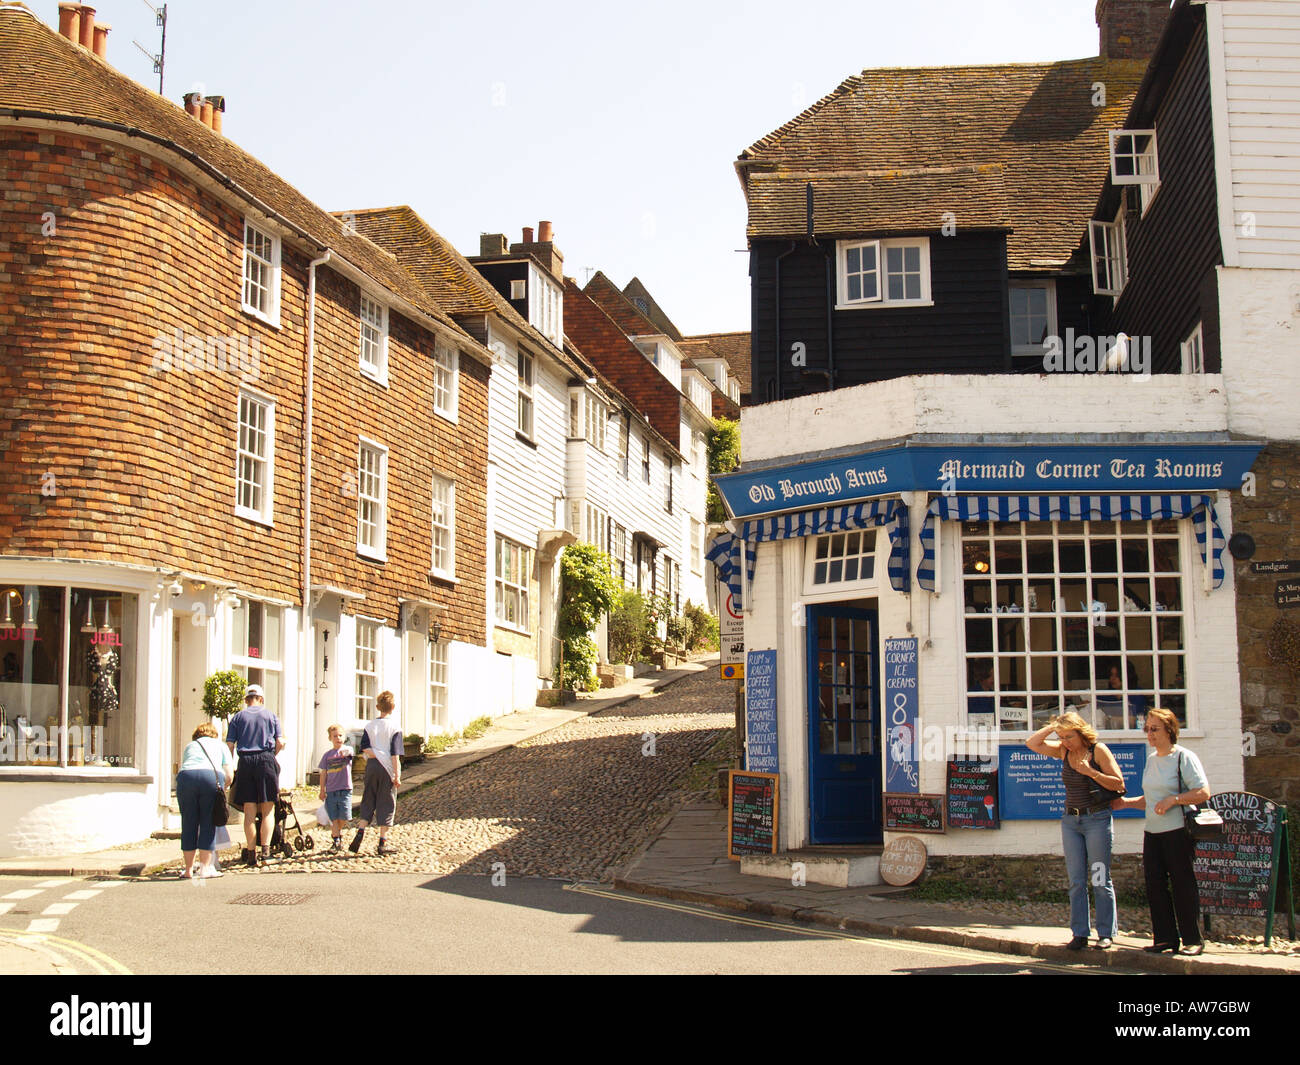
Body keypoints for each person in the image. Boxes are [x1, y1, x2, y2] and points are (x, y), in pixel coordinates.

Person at [1112, 707, 1210, 956]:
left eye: (1154, 729)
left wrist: (1174, 800)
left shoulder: (1183, 758)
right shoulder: (1151, 759)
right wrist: (1126, 803)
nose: (1149, 734)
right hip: (1152, 832)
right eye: (1147, 729)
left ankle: (1192, 940)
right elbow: (1151, 798)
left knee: (1182, 883)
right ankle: (1165, 938)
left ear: (1170, 730)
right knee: (1155, 884)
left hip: (1177, 830)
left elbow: (1202, 792)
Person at [1026, 711, 1127, 951]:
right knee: (1076, 880)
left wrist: (1090, 772)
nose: (1065, 742)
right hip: (1071, 821)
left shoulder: (1098, 751)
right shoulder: (1064, 751)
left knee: (1100, 878)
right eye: (1062, 737)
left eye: (1069, 736)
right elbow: (1032, 743)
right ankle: (1080, 932)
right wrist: (1054, 726)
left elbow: (1119, 784)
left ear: (1081, 733)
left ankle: (1105, 933)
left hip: (1097, 819)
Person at [226, 683, 285, 867]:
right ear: (261, 699)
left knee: (249, 811)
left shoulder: (237, 717)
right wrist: (271, 756)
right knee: (268, 809)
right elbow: (281, 742)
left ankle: (251, 854)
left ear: (246, 700)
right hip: (265, 760)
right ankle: (266, 852)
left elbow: (229, 745)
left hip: (245, 761)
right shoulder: (270, 715)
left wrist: (230, 766)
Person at [176, 722, 233, 879]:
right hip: (210, 778)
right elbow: (229, 774)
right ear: (214, 734)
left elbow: (187, 765)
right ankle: (205, 869)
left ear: (197, 734)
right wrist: (223, 788)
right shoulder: (221, 746)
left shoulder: (190, 746)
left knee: (188, 823)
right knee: (208, 822)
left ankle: (188, 870)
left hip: (186, 778)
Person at [349, 691, 402, 857]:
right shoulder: (395, 728)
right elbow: (395, 754)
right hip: (386, 768)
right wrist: (397, 775)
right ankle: (382, 841)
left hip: (371, 765)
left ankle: (360, 831)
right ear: (393, 707)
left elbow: (364, 747)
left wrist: (376, 753)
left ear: (378, 707)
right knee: (386, 801)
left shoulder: (369, 726)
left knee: (369, 797)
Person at [318, 725, 355, 853]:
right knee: (333, 817)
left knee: (344, 815)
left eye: (340, 735)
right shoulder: (327, 755)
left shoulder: (347, 751)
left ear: (344, 737)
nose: (338, 738)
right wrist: (322, 789)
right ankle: (336, 841)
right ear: (330, 738)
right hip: (331, 790)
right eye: (335, 736)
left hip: (345, 789)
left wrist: (344, 751)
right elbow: (323, 773)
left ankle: (337, 833)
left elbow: (350, 753)